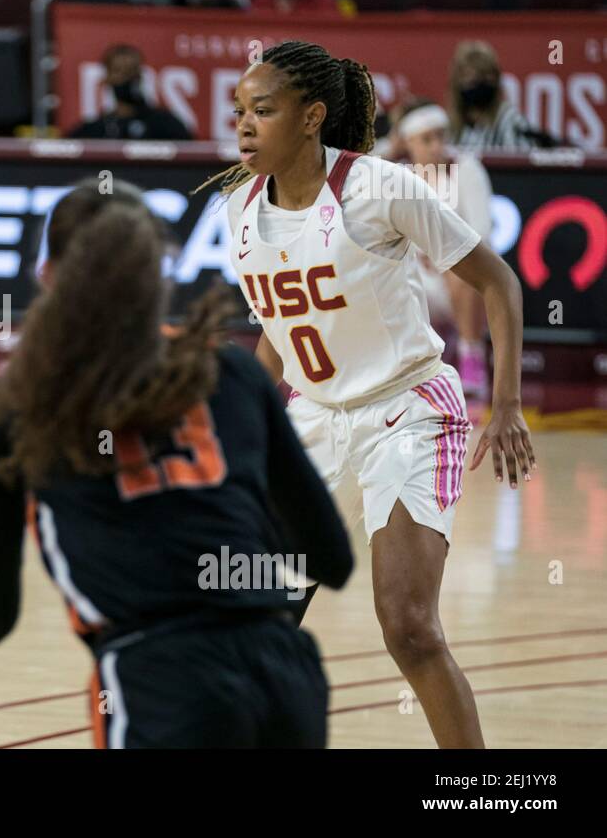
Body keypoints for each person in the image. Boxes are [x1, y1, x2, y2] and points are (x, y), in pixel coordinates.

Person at [212, 39, 537, 748]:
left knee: (409, 628)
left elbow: (498, 280)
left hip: (408, 410)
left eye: (261, 110)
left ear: (311, 117)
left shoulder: (377, 188)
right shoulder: (236, 211)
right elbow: (278, 332)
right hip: (314, 420)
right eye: (238, 110)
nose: (242, 125)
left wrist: (506, 404)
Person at [0, 180, 355, 748]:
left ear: (48, 276)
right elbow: (334, 561)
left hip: (159, 683)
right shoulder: (235, 374)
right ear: (158, 275)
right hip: (284, 674)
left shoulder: (12, 410)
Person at [395, 98, 494, 398]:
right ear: (409, 142)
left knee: (462, 265)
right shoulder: (395, 174)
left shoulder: (467, 169)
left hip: (458, 280)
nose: (436, 145)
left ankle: (471, 357)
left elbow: (481, 234)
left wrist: (440, 254)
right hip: (415, 275)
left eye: (441, 136)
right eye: (427, 139)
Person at [69, 44, 193, 141]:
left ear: (139, 76)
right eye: (118, 71)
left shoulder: (165, 124)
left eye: (130, 71)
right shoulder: (92, 131)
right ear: (106, 78)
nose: (126, 77)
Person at [448, 41, 548, 150]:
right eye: (472, 78)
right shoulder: (451, 126)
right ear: (458, 81)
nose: (480, 83)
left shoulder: (509, 121)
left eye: (486, 77)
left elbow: (524, 162)